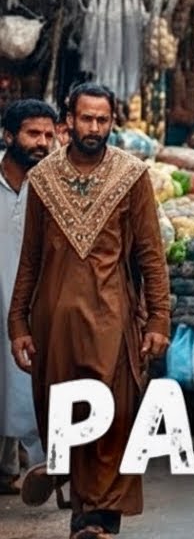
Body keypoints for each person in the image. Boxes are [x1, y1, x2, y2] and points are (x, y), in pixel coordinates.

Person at [8, 83, 171, 539]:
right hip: (55, 321)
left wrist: (158, 318)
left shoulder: (131, 176)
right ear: (68, 122)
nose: (94, 128)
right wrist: (17, 322)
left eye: (102, 120)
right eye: (86, 119)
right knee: (67, 414)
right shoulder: (43, 181)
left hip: (112, 320)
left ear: (112, 123)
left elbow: (150, 257)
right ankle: (82, 509)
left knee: (113, 418)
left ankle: (97, 521)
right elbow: (31, 258)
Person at [0, 100, 57, 498]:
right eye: (33, 134)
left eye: (49, 136)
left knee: (28, 381)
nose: (42, 143)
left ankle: (42, 467)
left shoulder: (54, 186)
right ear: (8, 136)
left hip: (33, 304)